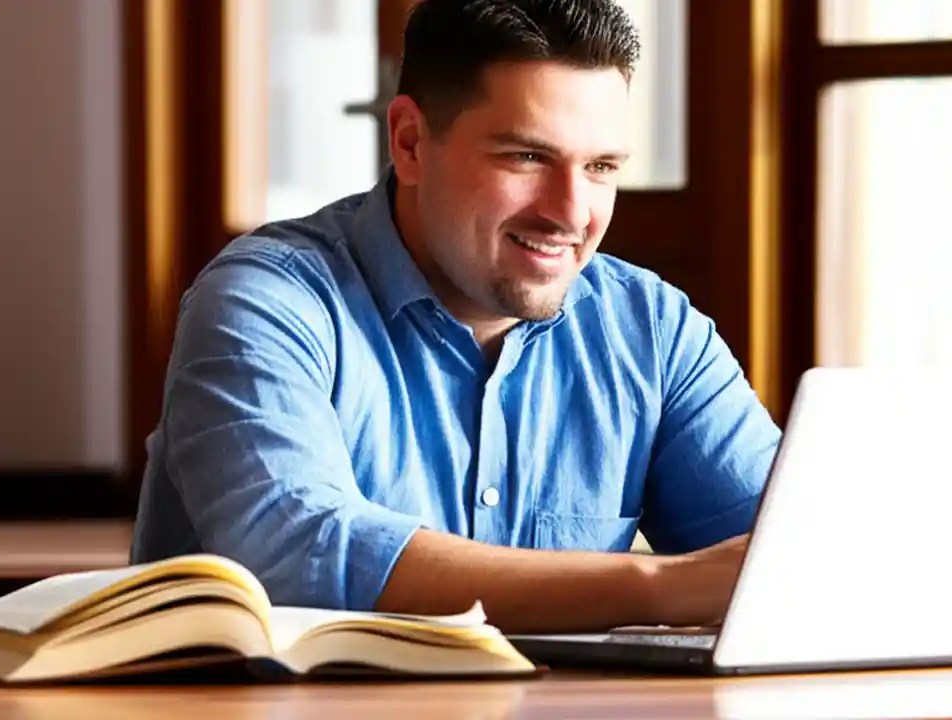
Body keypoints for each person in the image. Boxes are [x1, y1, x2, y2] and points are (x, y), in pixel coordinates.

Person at [131, 0, 780, 633]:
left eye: (600, 167)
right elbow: (297, 551)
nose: (571, 213)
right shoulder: (263, 302)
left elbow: (793, 553)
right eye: (526, 157)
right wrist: (657, 585)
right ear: (410, 142)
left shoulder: (652, 332)